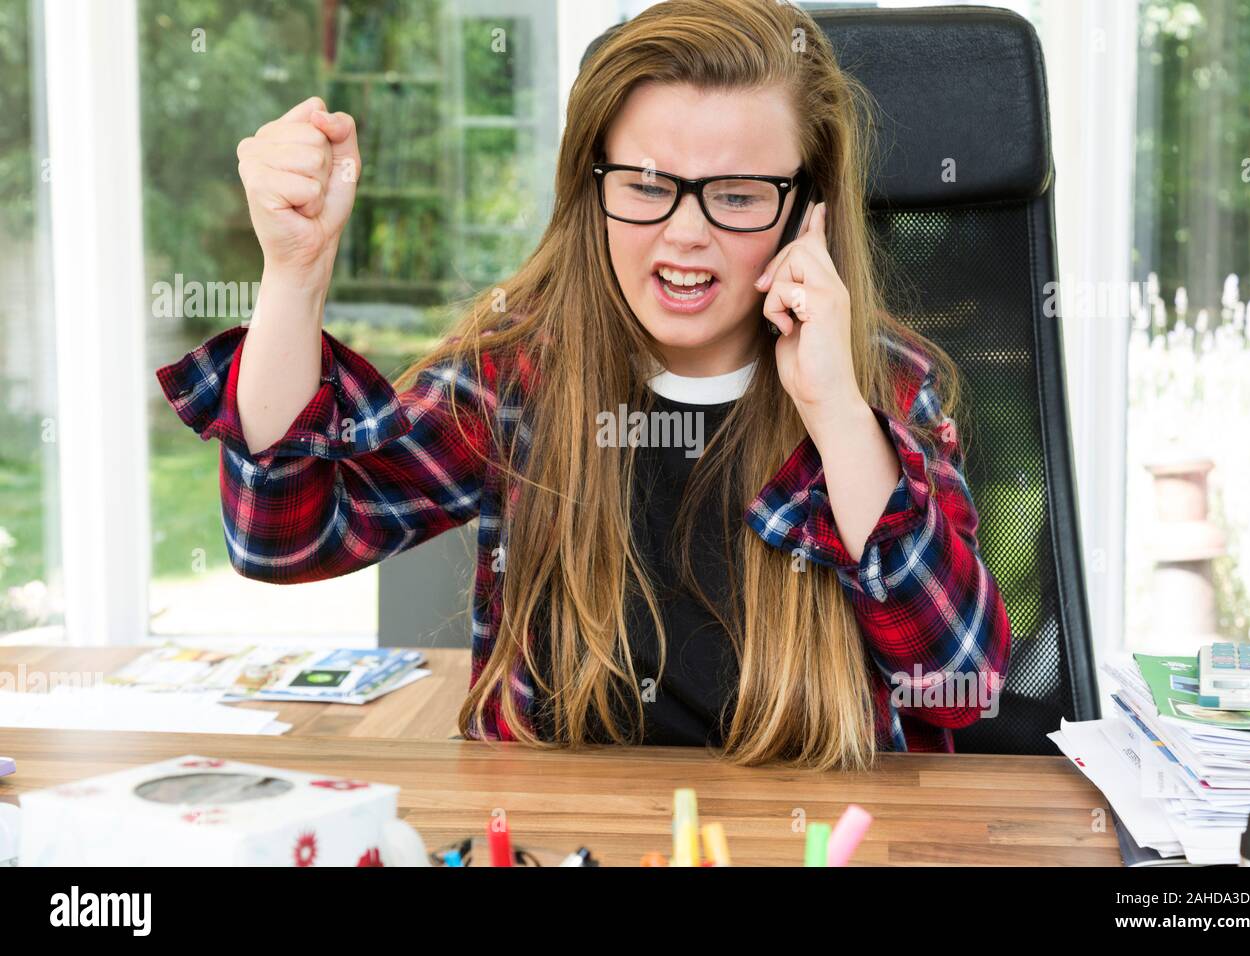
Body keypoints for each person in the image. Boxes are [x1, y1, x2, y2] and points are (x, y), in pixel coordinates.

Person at [156, 0, 1010, 771]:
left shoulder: (888, 386)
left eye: (740, 196)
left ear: (808, 207)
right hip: (560, 830)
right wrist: (294, 275)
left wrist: (834, 412)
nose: (685, 236)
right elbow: (282, 539)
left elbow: (960, 684)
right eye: (645, 186)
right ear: (590, 188)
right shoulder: (520, 370)